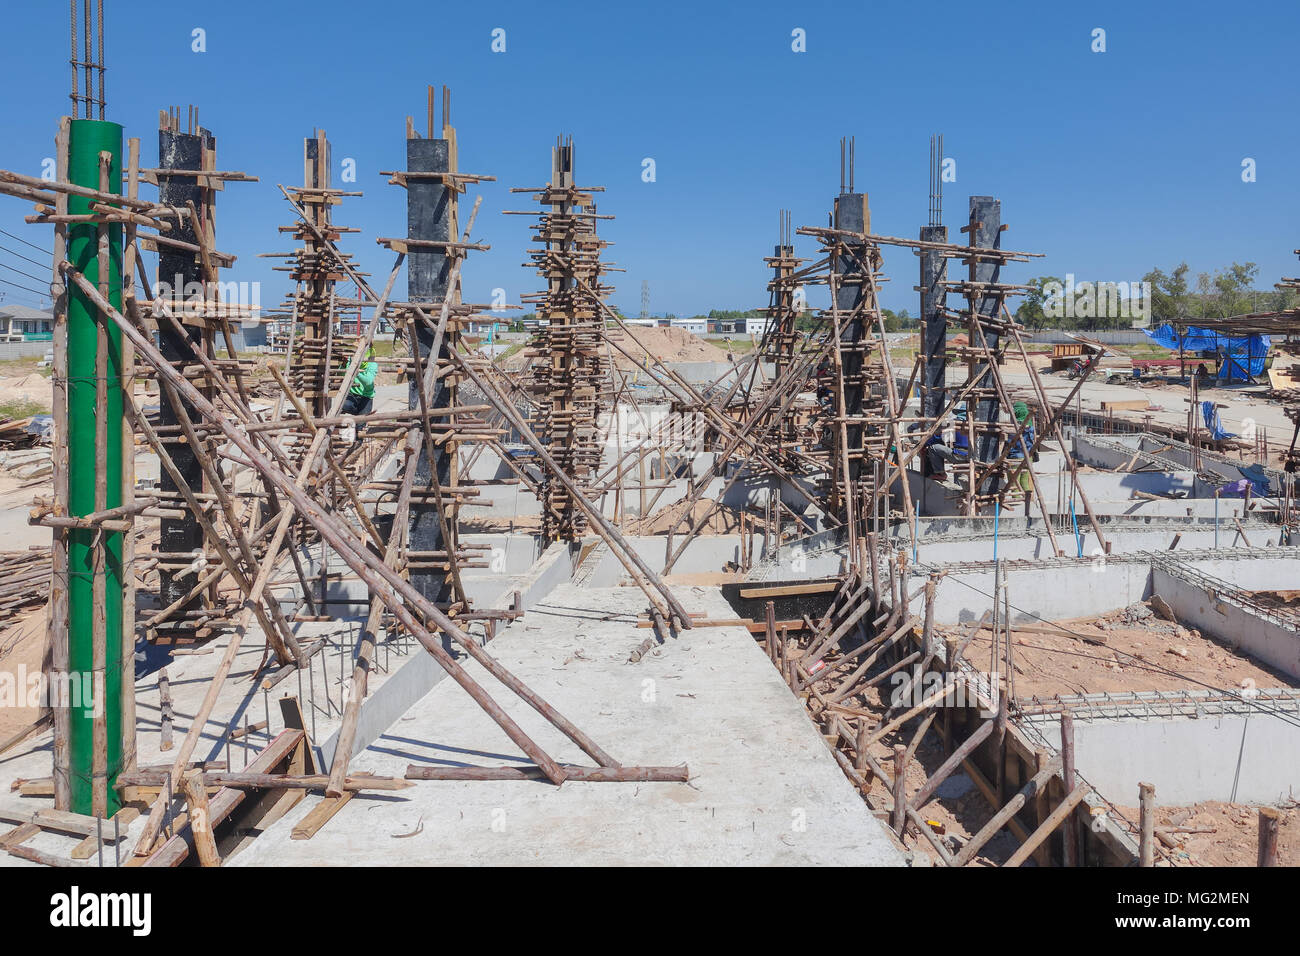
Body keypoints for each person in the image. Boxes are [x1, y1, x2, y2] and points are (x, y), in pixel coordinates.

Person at [1007, 401, 1036, 493]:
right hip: (1028, 457)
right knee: (1024, 481)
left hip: (1015, 457)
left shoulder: (1014, 426)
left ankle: (1016, 503)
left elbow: (1010, 441)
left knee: (1014, 483)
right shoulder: (1031, 426)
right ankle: (1027, 501)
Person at [342, 345, 378, 419]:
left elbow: (368, 382)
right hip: (351, 394)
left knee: (361, 426)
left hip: (366, 397)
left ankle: (362, 416)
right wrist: (343, 365)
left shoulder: (372, 364)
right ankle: (360, 414)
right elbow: (342, 376)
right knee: (345, 406)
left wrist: (356, 372)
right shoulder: (350, 361)